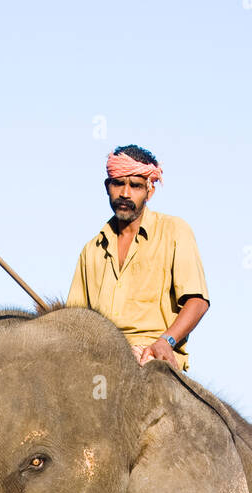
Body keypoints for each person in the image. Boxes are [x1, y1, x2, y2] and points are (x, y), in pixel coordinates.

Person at [66, 144, 209, 372]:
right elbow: (74, 324)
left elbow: (197, 302)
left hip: (155, 359)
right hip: (102, 363)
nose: (125, 193)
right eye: (118, 183)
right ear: (107, 186)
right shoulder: (91, 250)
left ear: (150, 191)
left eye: (135, 186)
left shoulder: (174, 231)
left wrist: (166, 342)